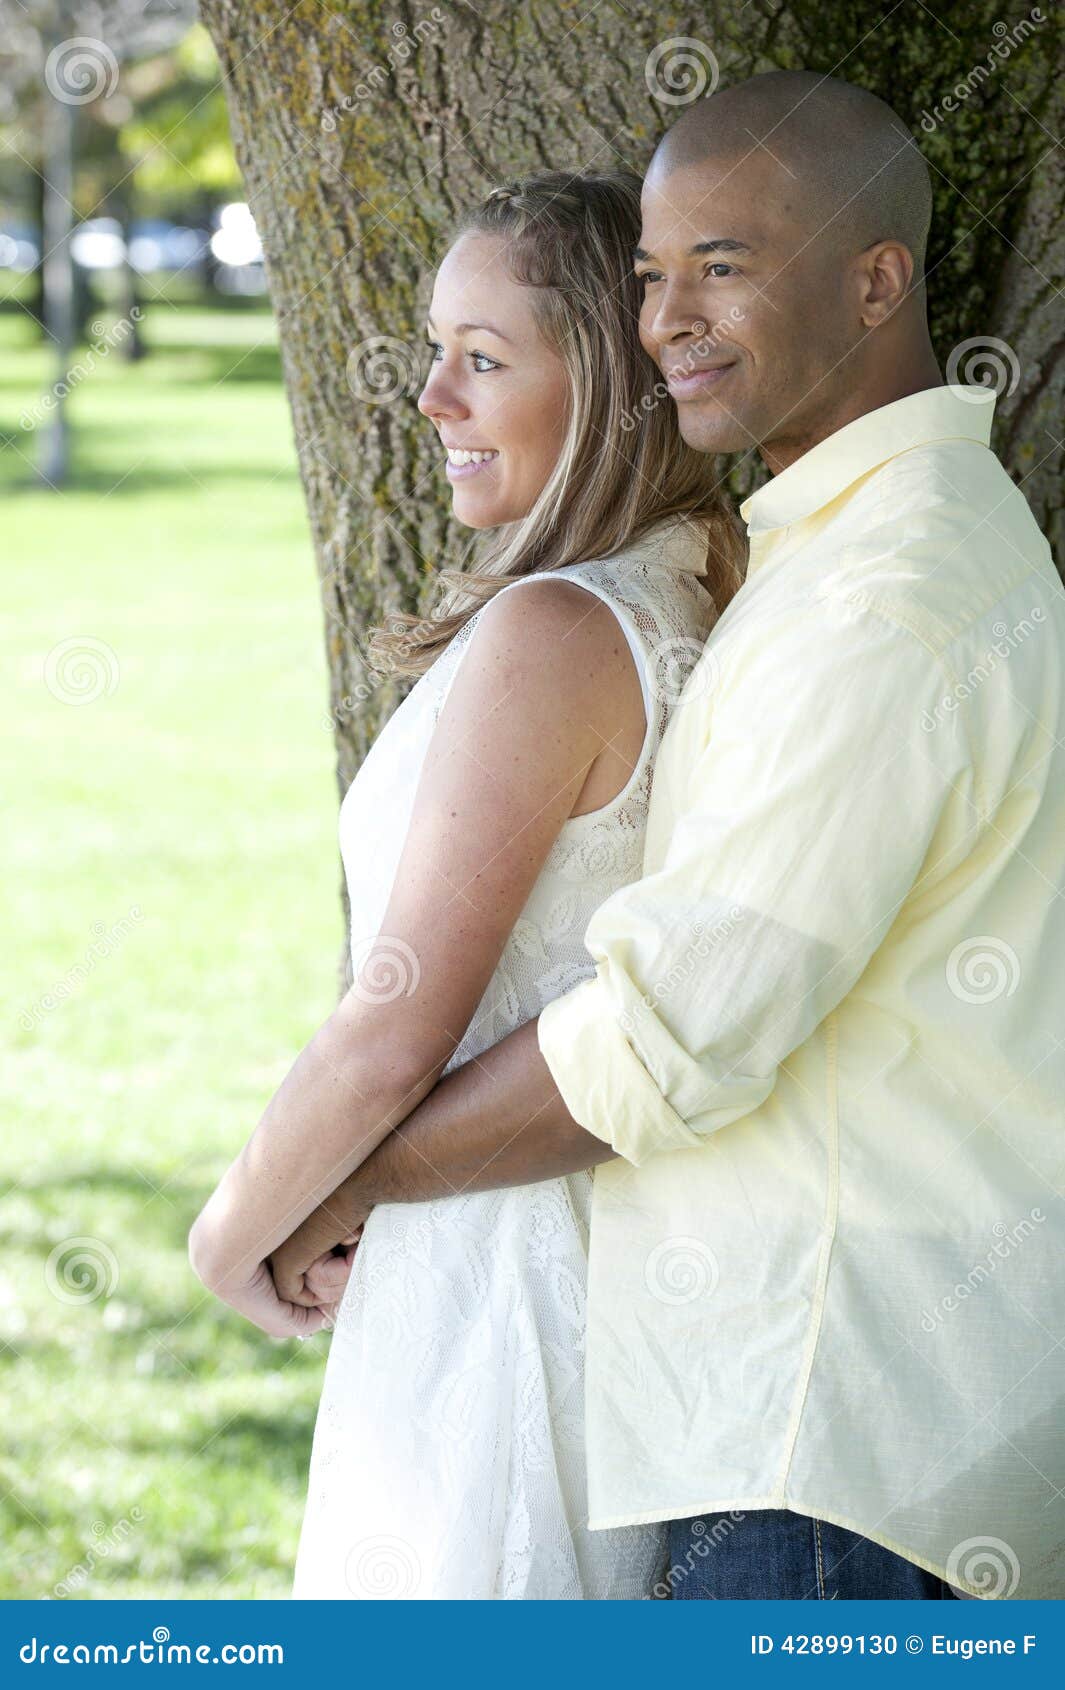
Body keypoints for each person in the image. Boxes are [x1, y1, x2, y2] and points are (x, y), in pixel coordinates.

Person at [273, 72, 1065, 1601]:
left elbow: (665, 1035)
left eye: (724, 262)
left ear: (875, 278)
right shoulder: (824, 552)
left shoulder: (881, 599)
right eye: (649, 272)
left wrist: (344, 1179)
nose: (668, 316)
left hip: (826, 1448)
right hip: (798, 1428)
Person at [188, 169, 744, 1598]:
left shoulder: (559, 632)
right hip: (595, 1252)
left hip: (501, 1280)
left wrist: (232, 1233)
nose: (430, 398)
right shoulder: (689, 583)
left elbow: (393, 1029)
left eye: (482, 360)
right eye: (437, 350)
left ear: (618, 386)